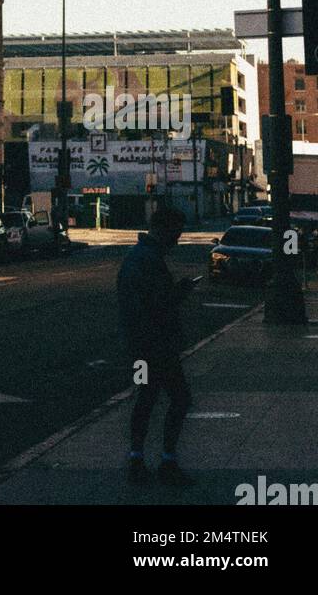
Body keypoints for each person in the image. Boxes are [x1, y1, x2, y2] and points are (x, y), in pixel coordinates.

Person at [117, 203, 196, 487]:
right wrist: (180, 293)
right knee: (179, 399)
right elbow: (158, 305)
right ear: (163, 230)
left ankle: (137, 459)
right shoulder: (149, 260)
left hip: (141, 345)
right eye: (176, 233)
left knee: (147, 399)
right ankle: (167, 461)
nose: (178, 238)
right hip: (157, 345)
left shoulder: (138, 257)